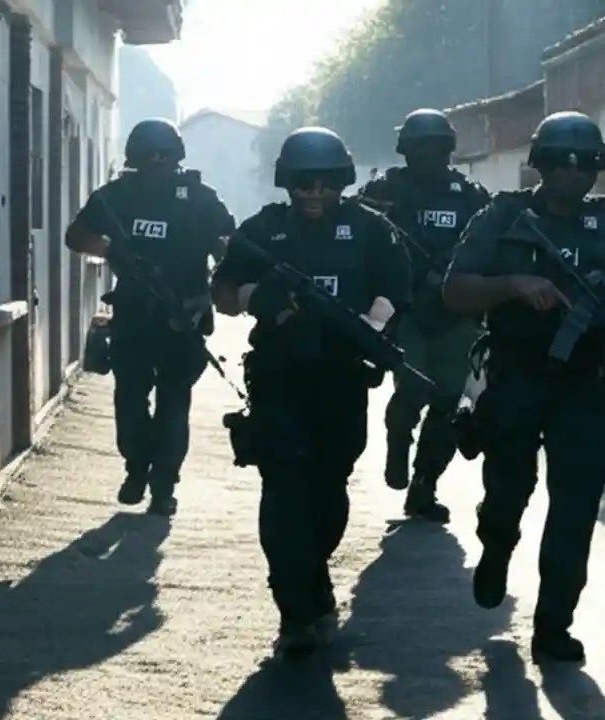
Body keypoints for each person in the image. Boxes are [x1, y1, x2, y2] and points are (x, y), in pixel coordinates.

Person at [442, 111, 605, 663]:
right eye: (561, 161)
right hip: (515, 377)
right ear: (540, 164)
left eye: (585, 164)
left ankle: (554, 625)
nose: (573, 173)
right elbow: (455, 290)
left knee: (575, 510)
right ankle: (495, 549)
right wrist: (513, 284)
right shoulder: (503, 218)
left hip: (582, 384)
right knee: (507, 492)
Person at [211, 127, 411, 658]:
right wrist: (263, 300)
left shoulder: (371, 230)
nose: (313, 192)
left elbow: (397, 287)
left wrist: (371, 324)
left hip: (342, 377)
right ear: (288, 183)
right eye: (302, 183)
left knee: (328, 488)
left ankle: (312, 581)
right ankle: (295, 613)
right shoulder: (264, 230)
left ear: (341, 181)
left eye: (324, 182)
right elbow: (223, 292)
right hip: (278, 377)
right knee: (282, 491)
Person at [65, 118, 234, 516]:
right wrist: (109, 248)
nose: (158, 166)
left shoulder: (200, 198)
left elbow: (228, 247)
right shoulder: (115, 197)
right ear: (136, 160)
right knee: (130, 401)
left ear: (176, 158)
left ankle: (163, 487)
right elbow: (76, 236)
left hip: (183, 316)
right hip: (134, 315)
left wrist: (217, 281)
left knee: (174, 403)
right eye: (150, 159)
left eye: (164, 158)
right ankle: (137, 467)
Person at [358, 108, 491, 522]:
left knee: (448, 402)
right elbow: (359, 238)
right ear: (406, 150)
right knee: (413, 389)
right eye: (420, 147)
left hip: (456, 313)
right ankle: (398, 441)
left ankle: (425, 485)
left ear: (449, 149)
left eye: (437, 147)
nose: (429, 155)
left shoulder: (470, 196)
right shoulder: (385, 190)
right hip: (407, 310)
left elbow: (491, 246)